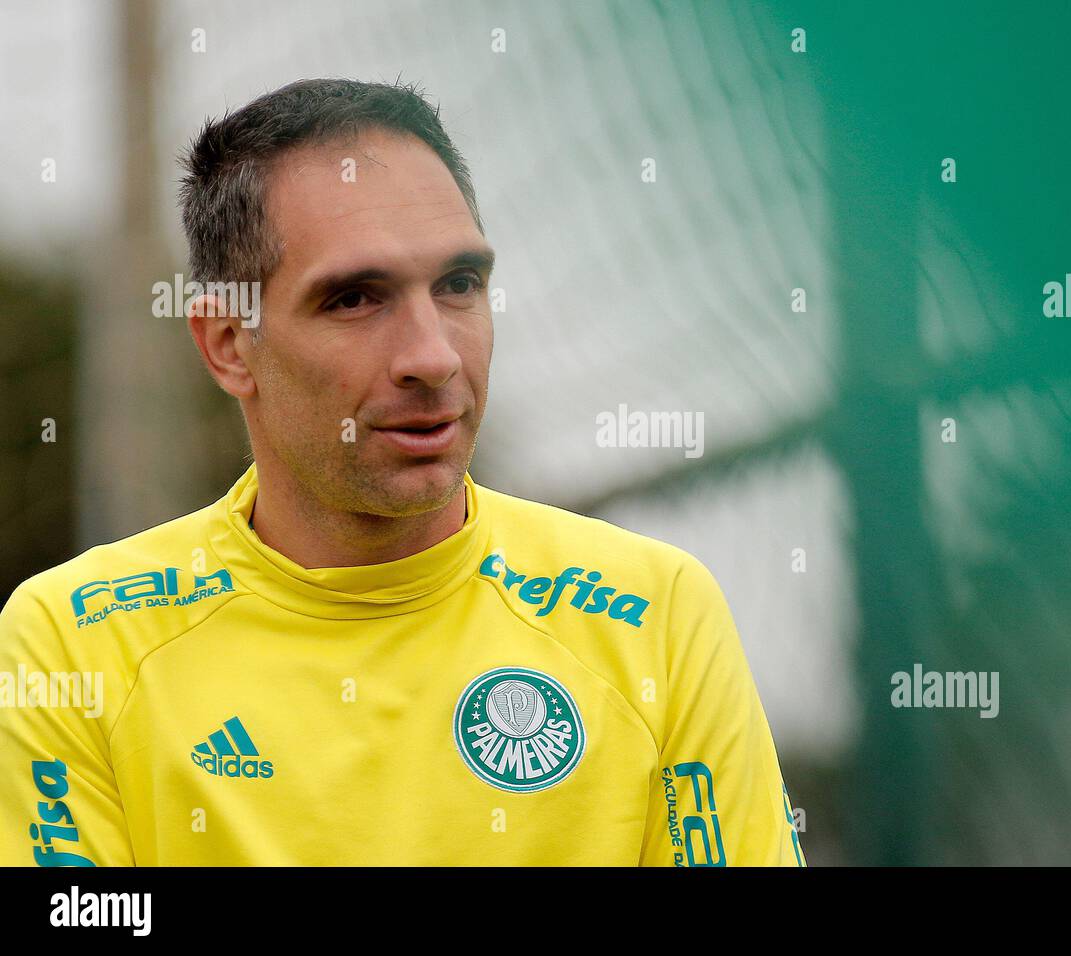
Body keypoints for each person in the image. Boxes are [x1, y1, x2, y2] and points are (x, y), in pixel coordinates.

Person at [0, 78, 806, 866]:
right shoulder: (74, 644)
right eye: (354, 299)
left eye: (459, 285)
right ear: (227, 344)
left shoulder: (656, 615)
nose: (433, 356)